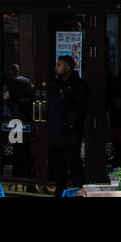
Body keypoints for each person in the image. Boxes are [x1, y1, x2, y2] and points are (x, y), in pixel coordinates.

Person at [45, 53, 88, 196]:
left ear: (68, 68)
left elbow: (80, 109)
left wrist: (70, 125)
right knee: (59, 172)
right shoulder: (55, 84)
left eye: (59, 65)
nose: (56, 68)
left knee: (74, 167)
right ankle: (60, 193)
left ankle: (81, 192)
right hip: (55, 134)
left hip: (69, 136)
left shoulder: (78, 85)